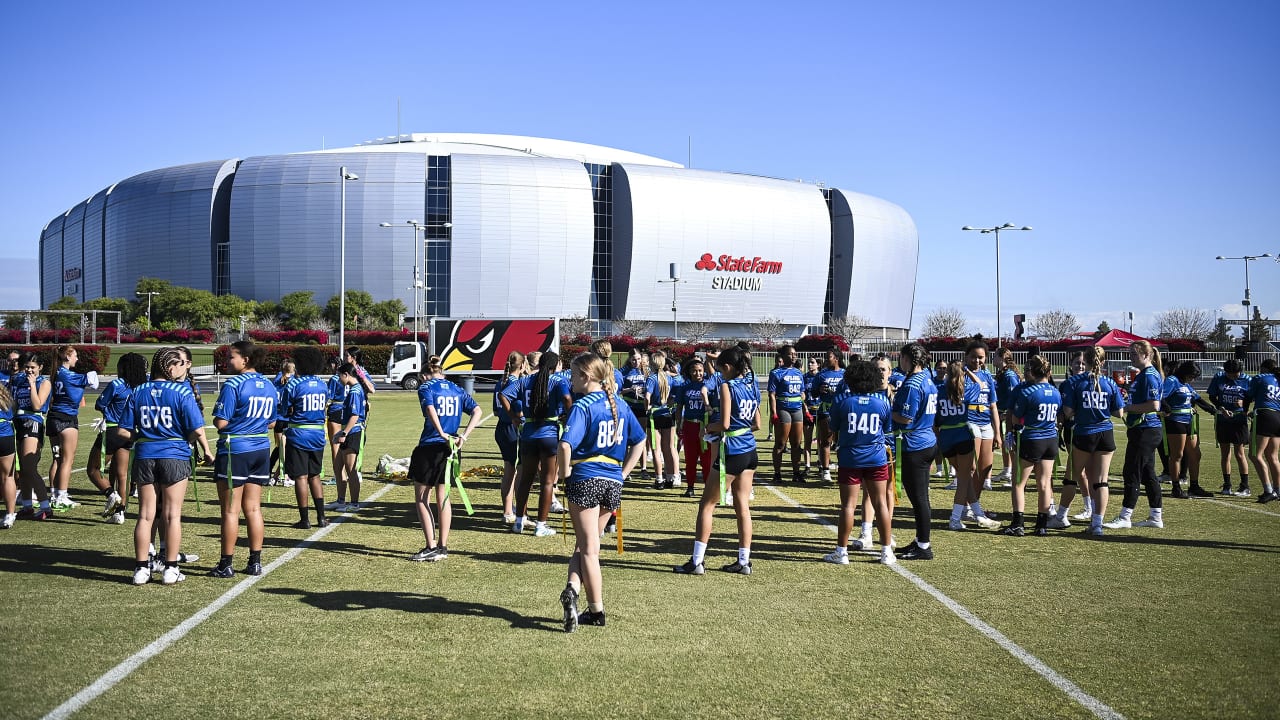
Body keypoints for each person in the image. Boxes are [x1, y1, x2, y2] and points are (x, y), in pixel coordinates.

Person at [557, 352, 646, 631]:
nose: (570, 381)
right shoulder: (618, 402)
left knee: (589, 551)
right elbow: (640, 441)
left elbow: (565, 445)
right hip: (612, 482)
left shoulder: (583, 406)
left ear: (586, 377)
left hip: (586, 477)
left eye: (573, 375)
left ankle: (596, 610)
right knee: (587, 545)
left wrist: (563, 475)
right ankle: (572, 590)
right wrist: (623, 474)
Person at [118, 347, 213, 585]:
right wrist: (182, 440)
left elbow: (123, 431)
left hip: (145, 455)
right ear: (170, 367)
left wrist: (144, 436)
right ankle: (171, 568)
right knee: (172, 515)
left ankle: (141, 568)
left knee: (145, 515)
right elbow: (196, 430)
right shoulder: (181, 391)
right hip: (175, 454)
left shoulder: (138, 391)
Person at [674, 346, 760, 576]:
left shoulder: (727, 386)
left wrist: (708, 428)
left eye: (721, 370)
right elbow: (757, 423)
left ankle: (697, 561)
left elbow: (724, 424)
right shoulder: (752, 384)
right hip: (750, 449)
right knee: (742, 506)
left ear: (728, 367)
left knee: (706, 504)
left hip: (732, 450)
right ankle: (744, 561)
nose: (719, 374)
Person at [210, 341, 277, 578]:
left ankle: (225, 564)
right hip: (260, 449)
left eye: (231, 357)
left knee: (230, 511)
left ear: (245, 360)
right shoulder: (269, 385)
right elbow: (272, 422)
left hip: (235, 450)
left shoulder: (233, 384)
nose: (227, 361)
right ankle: (255, 562)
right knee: (254, 508)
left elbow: (221, 422)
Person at [408, 359, 482, 561]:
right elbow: (477, 410)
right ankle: (442, 546)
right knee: (444, 496)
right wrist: (464, 436)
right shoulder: (457, 389)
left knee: (422, 498)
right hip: (451, 447)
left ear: (424, 375)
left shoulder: (426, 387)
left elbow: (430, 409)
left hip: (431, 446)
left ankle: (431, 546)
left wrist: (440, 432)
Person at [824, 361, 895, 565]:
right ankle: (886, 551)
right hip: (876, 458)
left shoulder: (842, 401)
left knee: (848, 505)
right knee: (880, 503)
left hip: (850, 458)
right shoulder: (882, 402)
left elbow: (833, 427)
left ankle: (841, 552)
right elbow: (887, 430)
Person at [1053, 346, 1124, 536]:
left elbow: (1068, 412)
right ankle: (1097, 524)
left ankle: (1061, 516)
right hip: (1106, 433)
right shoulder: (1110, 382)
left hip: (1084, 432)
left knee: (1071, 477)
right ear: (1103, 361)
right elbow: (1119, 412)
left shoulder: (1074, 382)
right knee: (1101, 481)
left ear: (1087, 360)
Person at [501, 351, 571, 536]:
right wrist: (569, 416)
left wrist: (513, 417)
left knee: (526, 479)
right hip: (549, 434)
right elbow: (566, 398)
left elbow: (503, 395)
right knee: (547, 482)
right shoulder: (558, 381)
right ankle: (541, 525)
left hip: (528, 434)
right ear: (555, 366)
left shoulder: (525, 380)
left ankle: (519, 521)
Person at [1105, 340, 1167, 529]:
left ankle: (1125, 516)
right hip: (1143, 429)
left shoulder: (1149, 375)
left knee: (1132, 471)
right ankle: (1155, 516)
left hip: (1146, 429)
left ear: (1146, 355)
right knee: (1148, 473)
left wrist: (1127, 408)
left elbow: (1154, 405)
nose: (1130, 357)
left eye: (1134, 353)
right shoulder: (1143, 375)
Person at [999, 356, 1062, 536]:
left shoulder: (1028, 392)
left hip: (1032, 439)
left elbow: (1016, 417)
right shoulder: (1055, 392)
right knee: (1044, 484)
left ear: (1033, 372)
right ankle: (1041, 525)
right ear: (1049, 372)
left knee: (1019, 483)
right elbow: (1059, 415)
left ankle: (1018, 524)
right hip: (1051, 439)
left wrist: (1012, 431)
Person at [85, 353, 148, 525]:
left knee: (93, 470)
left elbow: (100, 404)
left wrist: (109, 413)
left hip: (113, 430)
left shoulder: (117, 384)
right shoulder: (142, 386)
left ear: (124, 368)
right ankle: (120, 513)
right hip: (130, 432)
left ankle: (111, 495)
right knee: (122, 475)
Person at [892, 343, 939, 560]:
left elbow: (906, 418)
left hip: (915, 443)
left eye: (901, 358)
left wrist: (888, 410)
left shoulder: (912, 384)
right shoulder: (927, 378)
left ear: (908, 359)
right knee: (921, 497)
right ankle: (920, 540)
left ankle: (924, 545)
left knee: (919, 498)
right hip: (926, 439)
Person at [941, 360, 998, 531]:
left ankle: (979, 514)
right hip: (962, 435)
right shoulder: (967, 390)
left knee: (964, 474)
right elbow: (980, 384)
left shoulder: (939, 390)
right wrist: (968, 371)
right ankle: (955, 518)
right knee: (964, 479)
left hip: (945, 437)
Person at [279, 347, 332, 529]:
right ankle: (322, 517)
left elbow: (284, 410)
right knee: (315, 475)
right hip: (318, 434)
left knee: (301, 477)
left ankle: (304, 519)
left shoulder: (293, 385)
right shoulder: (322, 384)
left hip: (299, 434)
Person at [44, 345, 100, 510]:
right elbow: (93, 381)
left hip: (53, 417)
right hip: (66, 418)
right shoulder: (69, 375)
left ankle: (55, 494)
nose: (77, 358)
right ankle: (61, 496)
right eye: (75, 355)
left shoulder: (56, 373)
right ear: (67, 357)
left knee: (57, 458)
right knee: (67, 460)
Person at [1161, 360, 1218, 499]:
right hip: (1176, 421)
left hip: (1189, 421)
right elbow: (1160, 396)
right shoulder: (1172, 381)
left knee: (1195, 454)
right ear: (1184, 372)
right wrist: (1167, 408)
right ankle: (1176, 488)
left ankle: (1194, 486)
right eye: (1191, 376)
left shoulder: (1186, 384)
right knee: (1177, 455)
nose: (1192, 379)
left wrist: (1214, 410)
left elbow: (1197, 398)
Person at [12, 352, 53, 520]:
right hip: (18, 423)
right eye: (27, 367)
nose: (29, 370)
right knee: (22, 469)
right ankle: (27, 505)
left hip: (33, 422)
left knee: (29, 467)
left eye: (33, 367)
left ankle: (45, 506)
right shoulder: (19, 380)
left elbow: (37, 405)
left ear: (40, 367)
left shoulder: (44, 382)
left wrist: (32, 384)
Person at [961, 341, 1002, 507]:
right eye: (973, 357)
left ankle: (974, 504)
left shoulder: (987, 376)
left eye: (981, 357)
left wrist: (997, 433)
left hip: (986, 424)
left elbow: (993, 406)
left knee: (985, 468)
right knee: (971, 467)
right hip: (969, 422)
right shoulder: (962, 375)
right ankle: (964, 506)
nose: (977, 360)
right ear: (966, 357)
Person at [1207, 359, 1252, 496]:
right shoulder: (1219, 377)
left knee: (1240, 453)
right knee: (1225, 453)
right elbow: (1212, 396)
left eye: (1235, 374)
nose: (1232, 377)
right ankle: (1227, 485)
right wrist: (1221, 408)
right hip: (1223, 419)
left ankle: (1245, 486)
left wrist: (1243, 402)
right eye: (1229, 374)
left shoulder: (1247, 380)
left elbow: (1253, 396)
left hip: (1239, 420)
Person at [494, 351, 527, 523]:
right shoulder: (516, 383)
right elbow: (519, 409)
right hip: (512, 429)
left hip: (501, 427)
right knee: (516, 471)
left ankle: (508, 509)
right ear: (522, 365)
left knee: (510, 470)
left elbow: (495, 410)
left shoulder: (501, 382)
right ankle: (511, 511)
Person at [332, 363, 368, 512]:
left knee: (350, 470)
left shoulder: (354, 391)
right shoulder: (356, 389)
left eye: (339, 375)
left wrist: (344, 433)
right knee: (338, 466)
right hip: (349, 431)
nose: (338, 379)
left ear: (346, 374)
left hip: (353, 433)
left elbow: (355, 416)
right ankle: (341, 500)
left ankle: (354, 503)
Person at [768, 344, 807, 483]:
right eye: (791, 354)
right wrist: (774, 413)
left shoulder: (798, 373)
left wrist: (804, 402)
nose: (794, 356)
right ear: (784, 356)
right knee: (781, 443)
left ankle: (796, 473)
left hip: (797, 409)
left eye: (795, 354)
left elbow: (802, 392)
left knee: (796, 444)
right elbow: (772, 394)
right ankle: (777, 474)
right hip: (783, 408)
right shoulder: (776, 373)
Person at [676, 357, 713, 499]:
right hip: (689, 425)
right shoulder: (684, 387)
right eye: (694, 371)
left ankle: (707, 487)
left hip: (705, 426)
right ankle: (690, 487)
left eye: (700, 370)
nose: (698, 373)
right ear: (690, 372)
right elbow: (679, 407)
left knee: (706, 460)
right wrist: (679, 424)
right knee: (690, 459)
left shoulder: (708, 385)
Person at [811, 348, 847, 483]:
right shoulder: (821, 374)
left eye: (829, 357)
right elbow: (813, 393)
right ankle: (825, 470)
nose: (826, 359)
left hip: (842, 411)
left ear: (836, 358)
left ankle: (843, 468)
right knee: (826, 441)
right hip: (826, 411)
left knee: (842, 442)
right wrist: (819, 390)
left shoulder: (845, 374)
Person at [646, 350, 681, 489]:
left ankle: (659, 479)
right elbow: (674, 397)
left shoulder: (651, 378)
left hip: (654, 415)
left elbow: (647, 396)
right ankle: (671, 477)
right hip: (668, 414)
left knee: (656, 449)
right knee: (668, 448)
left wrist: (647, 407)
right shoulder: (669, 378)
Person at [1249, 359, 1280, 503]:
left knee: (1255, 454)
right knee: (1273, 457)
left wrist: (1245, 410)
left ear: (1263, 368)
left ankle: (1269, 491)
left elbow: (1249, 395)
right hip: (1278, 416)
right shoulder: (1278, 379)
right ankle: (1278, 490)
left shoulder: (1261, 377)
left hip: (1265, 416)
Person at [992, 347, 1022, 486]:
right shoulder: (1002, 373)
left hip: (1007, 415)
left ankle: (1014, 474)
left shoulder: (1009, 375)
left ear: (1002, 357)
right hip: (1001, 413)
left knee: (1010, 444)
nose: (993, 358)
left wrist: (1008, 413)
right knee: (1005, 444)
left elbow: (1015, 395)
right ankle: (1006, 470)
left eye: (995, 356)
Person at [269, 359, 296, 485]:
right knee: (287, 449)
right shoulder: (293, 381)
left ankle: (270, 471)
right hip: (288, 418)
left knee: (280, 447)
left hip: (278, 417)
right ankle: (284, 475)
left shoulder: (277, 380)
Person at [0, 383, 16, 529]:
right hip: (6, 435)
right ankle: (10, 514)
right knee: (7, 477)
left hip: (4, 434)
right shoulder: (5, 396)